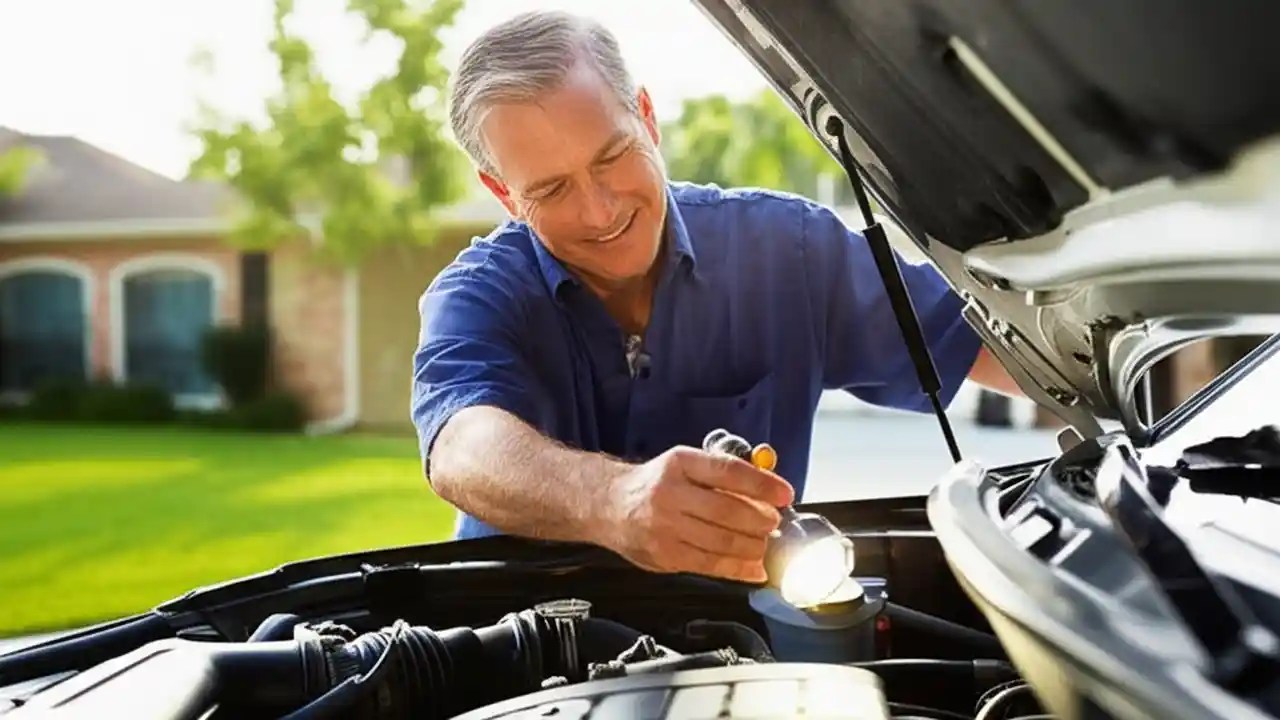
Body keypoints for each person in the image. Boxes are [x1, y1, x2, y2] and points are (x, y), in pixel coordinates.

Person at [412, 10, 1020, 584]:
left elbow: (1003, 348)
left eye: (613, 156)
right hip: (528, 652)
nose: (599, 211)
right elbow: (462, 447)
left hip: (745, 640)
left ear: (646, 118)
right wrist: (612, 500)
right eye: (551, 189)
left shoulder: (790, 252)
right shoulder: (478, 296)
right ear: (503, 192)